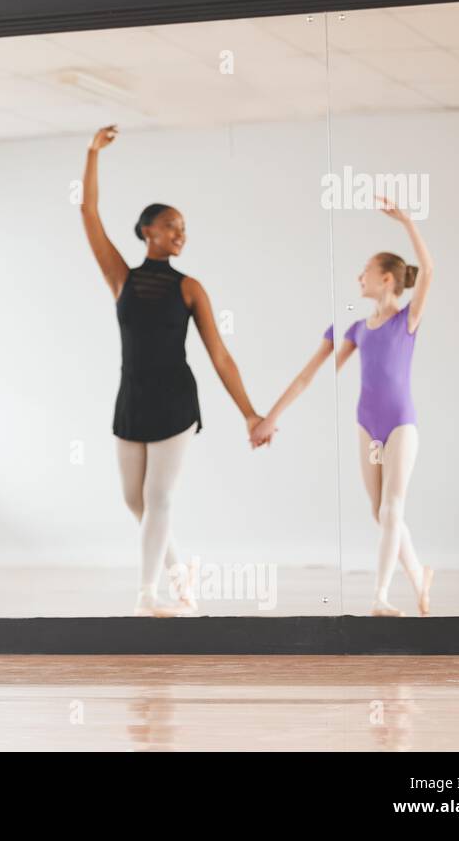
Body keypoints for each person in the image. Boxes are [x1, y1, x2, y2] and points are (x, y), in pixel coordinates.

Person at [80, 125, 268, 618]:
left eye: (184, 227)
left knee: (158, 498)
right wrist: (92, 152)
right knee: (135, 502)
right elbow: (88, 213)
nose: (180, 233)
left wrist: (250, 414)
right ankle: (183, 578)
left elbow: (220, 356)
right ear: (147, 231)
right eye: (171, 225)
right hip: (131, 399)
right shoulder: (121, 278)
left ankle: (148, 596)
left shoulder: (190, 288)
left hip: (174, 403)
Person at [253, 198, 436, 617]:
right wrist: (271, 418)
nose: (359, 277)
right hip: (366, 425)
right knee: (380, 512)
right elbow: (307, 376)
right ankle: (420, 575)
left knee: (392, 509)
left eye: (365, 272)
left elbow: (430, 271)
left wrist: (407, 222)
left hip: (401, 424)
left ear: (386, 279)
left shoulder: (406, 320)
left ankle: (381, 597)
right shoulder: (352, 329)